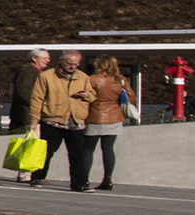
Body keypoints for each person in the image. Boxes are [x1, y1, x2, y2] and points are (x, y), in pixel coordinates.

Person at [30, 49, 94, 186]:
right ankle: (37, 176)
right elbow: (37, 98)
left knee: (77, 154)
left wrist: (87, 95)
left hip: (76, 120)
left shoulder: (83, 77)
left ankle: (80, 183)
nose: (72, 67)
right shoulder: (47, 76)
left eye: (76, 64)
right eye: (69, 63)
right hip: (53, 120)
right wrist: (33, 120)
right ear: (61, 61)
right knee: (46, 151)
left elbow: (92, 95)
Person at [82, 56, 134, 191]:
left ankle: (84, 179)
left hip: (95, 115)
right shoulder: (120, 80)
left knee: (88, 149)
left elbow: (86, 98)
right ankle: (108, 178)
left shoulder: (92, 79)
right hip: (114, 116)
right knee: (108, 148)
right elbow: (132, 98)